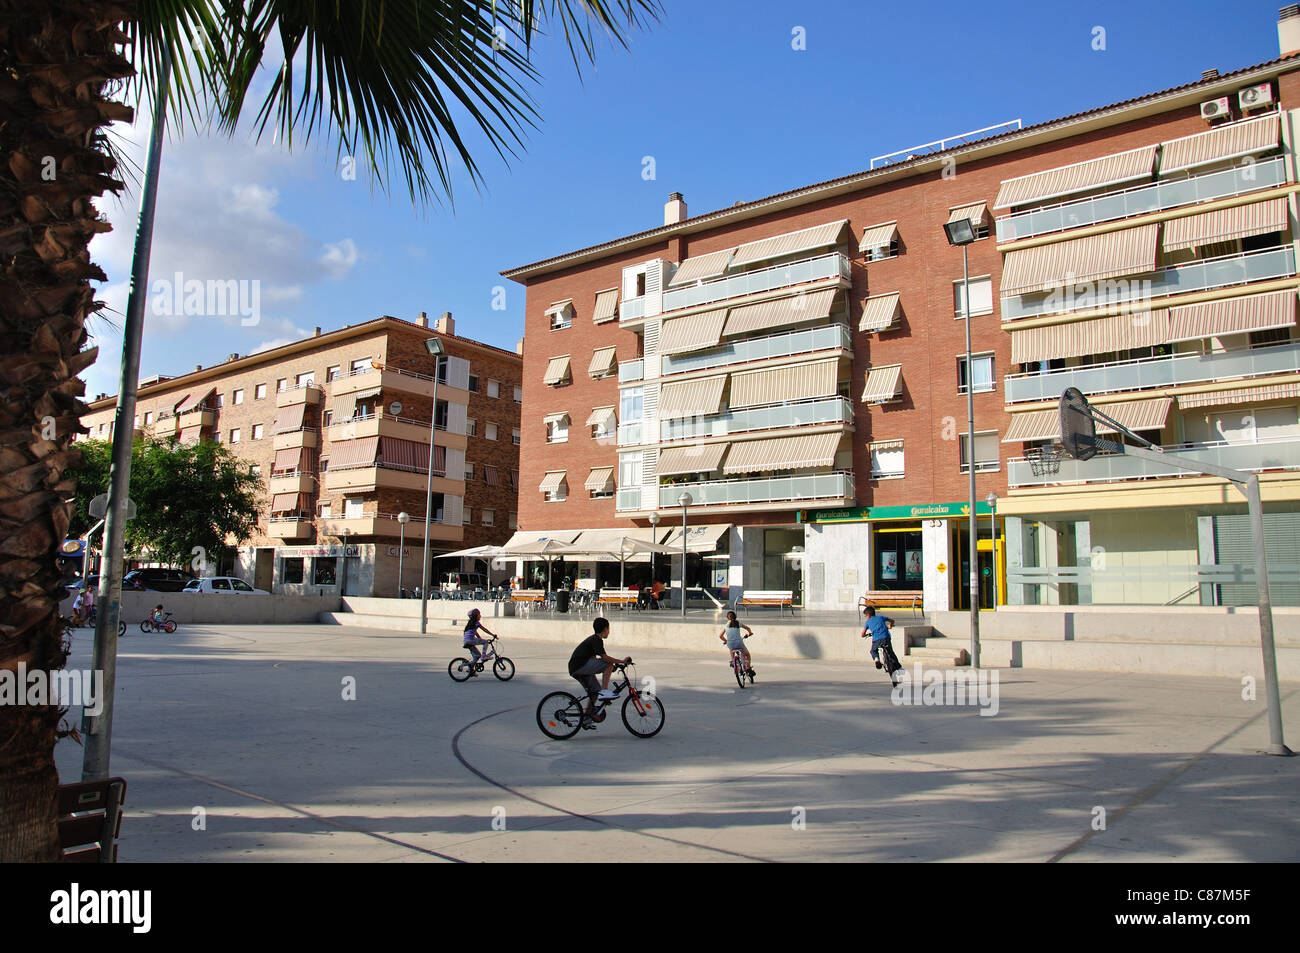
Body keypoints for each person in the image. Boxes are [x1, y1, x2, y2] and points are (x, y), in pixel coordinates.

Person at [567, 617, 631, 727]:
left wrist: (613, 666)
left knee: (595, 692)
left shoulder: (593, 639)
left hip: (576, 667)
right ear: (605, 629)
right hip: (579, 665)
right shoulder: (597, 639)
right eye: (608, 629)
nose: (609, 632)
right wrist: (621, 661)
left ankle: (586, 718)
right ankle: (605, 691)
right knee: (608, 664)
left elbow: (599, 660)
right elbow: (605, 658)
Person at [861, 605, 899, 685]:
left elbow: (862, 634)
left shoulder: (868, 622)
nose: (866, 617)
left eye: (865, 616)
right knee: (891, 653)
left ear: (868, 615)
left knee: (873, 651)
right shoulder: (881, 618)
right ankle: (899, 667)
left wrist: (865, 635)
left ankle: (877, 660)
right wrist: (890, 625)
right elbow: (892, 620)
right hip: (886, 638)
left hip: (876, 640)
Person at [719, 611, 755, 678]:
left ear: (727, 618)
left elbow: (720, 636)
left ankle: (733, 661)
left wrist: (726, 641)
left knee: (731, 648)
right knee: (747, 654)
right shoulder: (738, 623)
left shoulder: (726, 625)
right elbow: (748, 628)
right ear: (735, 617)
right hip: (739, 643)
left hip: (730, 644)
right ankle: (748, 668)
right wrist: (750, 633)